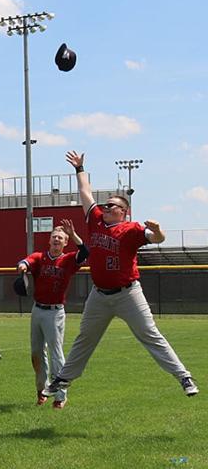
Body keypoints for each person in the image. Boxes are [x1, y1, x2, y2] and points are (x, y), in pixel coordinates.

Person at [43, 152, 197, 399]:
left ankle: (183, 376)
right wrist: (80, 168)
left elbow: (156, 238)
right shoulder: (95, 220)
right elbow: (85, 193)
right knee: (85, 339)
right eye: (104, 204)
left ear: (124, 211)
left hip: (128, 294)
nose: (105, 207)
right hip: (99, 295)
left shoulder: (130, 229)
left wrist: (158, 231)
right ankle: (62, 379)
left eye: (111, 205)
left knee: (150, 335)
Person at [19, 219, 87, 408]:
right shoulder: (40, 257)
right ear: (49, 240)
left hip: (54, 312)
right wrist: (22, 267)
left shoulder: (68, 259)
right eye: (54, 237)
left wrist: (73, 235)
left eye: (61, 238)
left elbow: (85, 253)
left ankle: (60, 395)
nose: (56, 239)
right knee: (36, 353)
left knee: (56, 354)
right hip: (37, 309)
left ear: (65, 243)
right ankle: (42, 391)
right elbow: (25, 261)